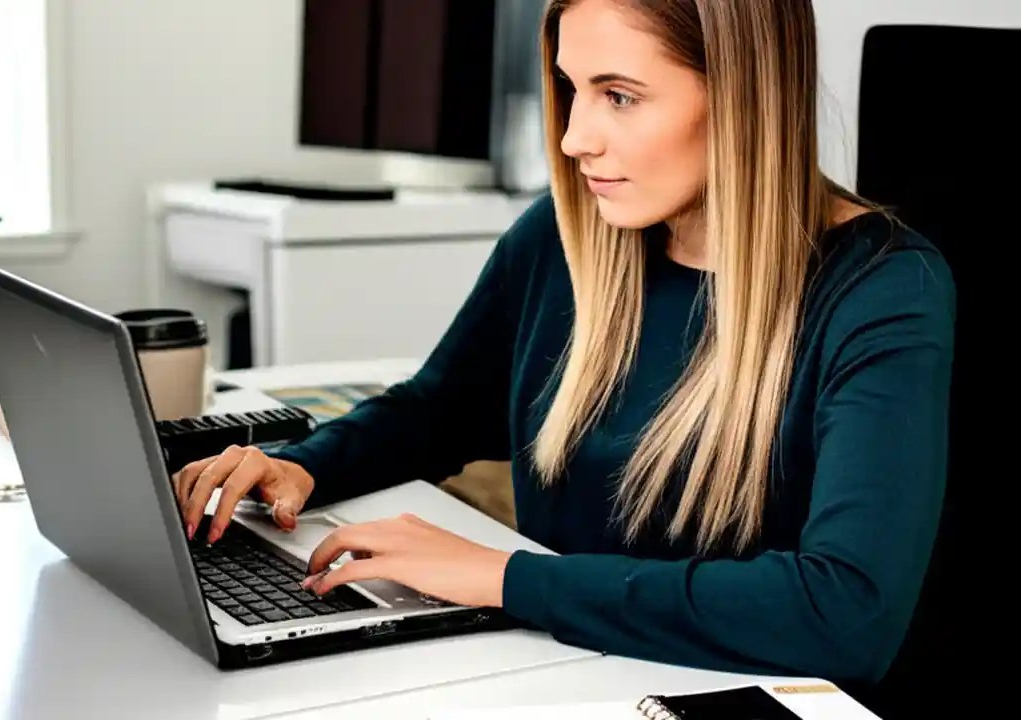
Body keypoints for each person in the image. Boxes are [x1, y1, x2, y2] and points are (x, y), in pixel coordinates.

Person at [172, 0, 955, 695]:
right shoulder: (567, 234)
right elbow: (439, 408)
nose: (576, 137)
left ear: (746, 98)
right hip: (558, 669)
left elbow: (844, 611)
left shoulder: (885, 288)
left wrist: (504, 578)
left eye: (619, 95)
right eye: (571, 87)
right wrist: (305, 464)